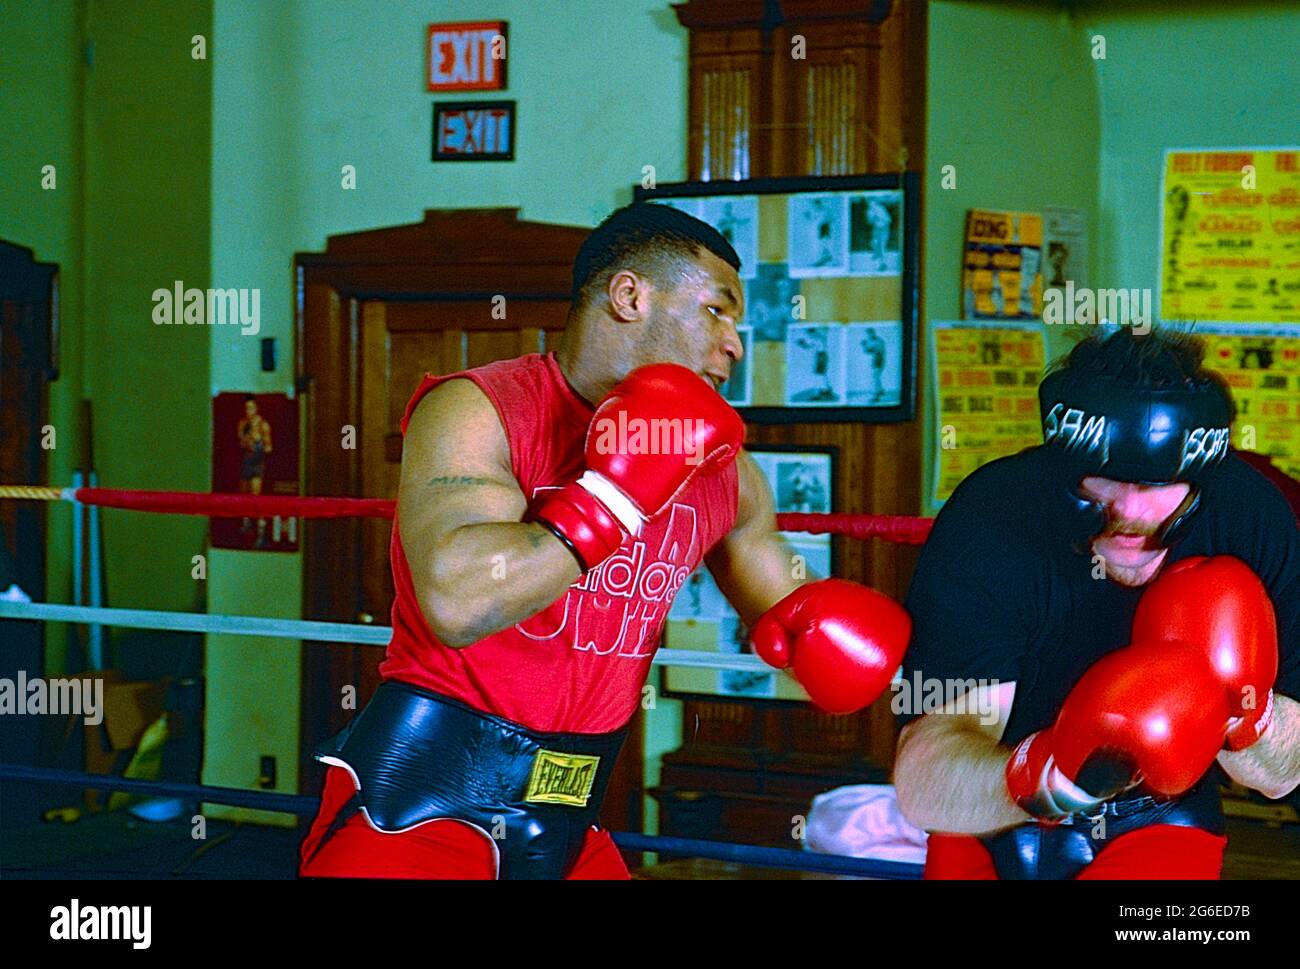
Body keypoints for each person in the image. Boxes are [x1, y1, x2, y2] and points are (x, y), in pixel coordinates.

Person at [299, 203, 911, 880]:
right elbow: (458, 597)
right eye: (717, 311)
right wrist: (616, 495)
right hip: (418, 802)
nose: (734, 343)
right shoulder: (481, 407)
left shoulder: (727, 472)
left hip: (570, 814)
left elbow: (792, 616)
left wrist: (843, 643)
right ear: (629, 295)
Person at [893, 327, 1299, 879]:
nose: (1132, 509)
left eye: (1160, 482)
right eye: (1108, 477)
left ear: (1200, 472)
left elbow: (1281, 775)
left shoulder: (1248, 519)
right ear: (1064, 460)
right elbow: (922, 787)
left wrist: (1244, 714)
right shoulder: (993, 518)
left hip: (1162, 815)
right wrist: (1049, 776)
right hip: (989, 805)